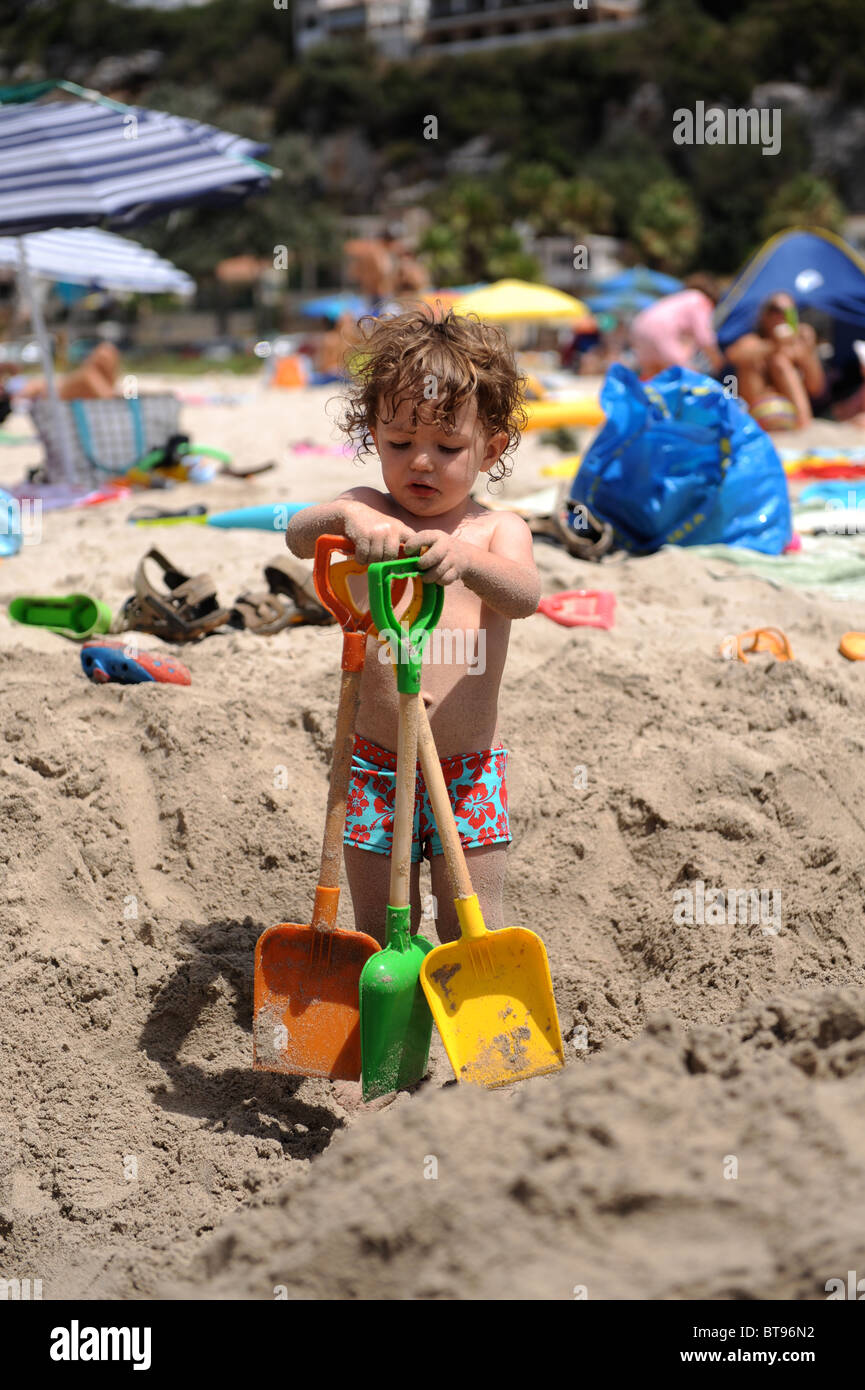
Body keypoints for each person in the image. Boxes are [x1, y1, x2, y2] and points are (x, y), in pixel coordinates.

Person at [286, 307, 538, 953]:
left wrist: (470, 563)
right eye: (398, 444)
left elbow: (525, 596)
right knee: (376, 927)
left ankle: (462, 1016)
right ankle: (391, 1024)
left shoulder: (497, 530)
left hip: (468, 769)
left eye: (448, 449)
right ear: (373, 434)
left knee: (470, 924)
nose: (420, 464)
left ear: (493, 446)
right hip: (373, 762)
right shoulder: (369, 510)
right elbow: (296, 535)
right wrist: (345, 516)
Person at [726, 292, 826, 431]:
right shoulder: (754, 341)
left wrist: (808, 353)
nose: (783, 315)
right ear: (764, 315)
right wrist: (774, 346)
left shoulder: (799, 344)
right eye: (776, 310)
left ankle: (803, 424)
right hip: (758, 409)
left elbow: (816, 388)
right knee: (753, 360)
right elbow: (732, 356)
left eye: (789, 311)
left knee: (780, 362)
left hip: (790, 413)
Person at [629, 274, 724, 378]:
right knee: (686, 374)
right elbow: (704, 336)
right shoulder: (699, 299)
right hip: (660, 328)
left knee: (653, 374)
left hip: (639, 326)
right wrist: (718, 362)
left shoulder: (678, 297)